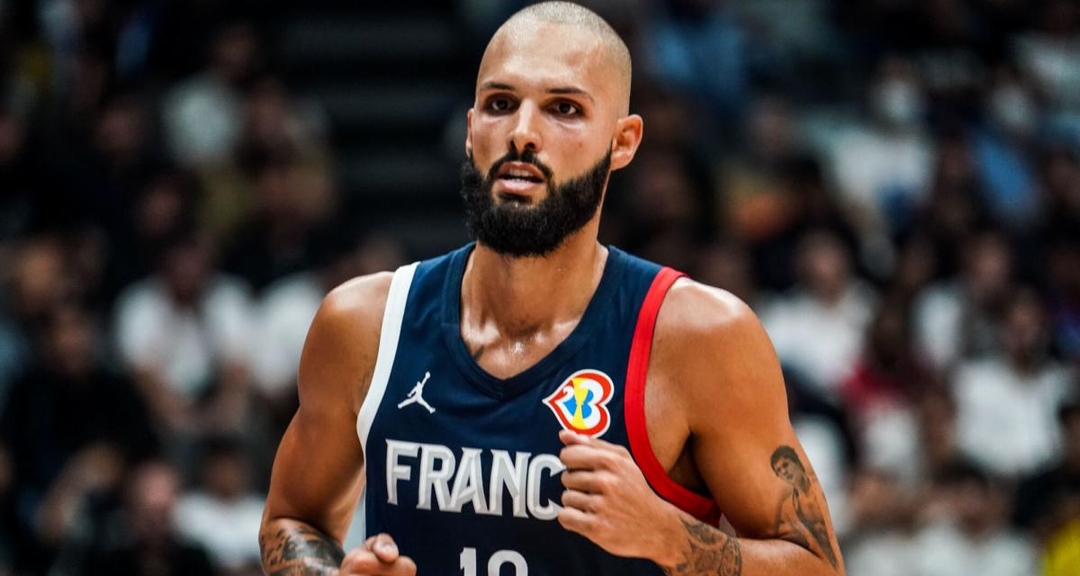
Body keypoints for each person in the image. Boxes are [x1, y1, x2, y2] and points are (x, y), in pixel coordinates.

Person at [259, 3, 845, 575]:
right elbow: (292, 520)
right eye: (500, 104)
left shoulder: (700, 337)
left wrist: (674, 539)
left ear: (623, 142)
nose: (522, 134)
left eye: (563, 108)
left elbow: (818, 566)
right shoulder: (365, 323)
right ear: (469, 131)